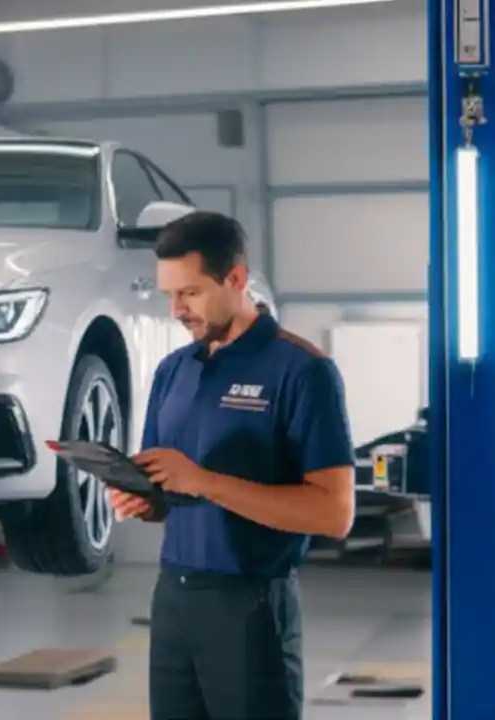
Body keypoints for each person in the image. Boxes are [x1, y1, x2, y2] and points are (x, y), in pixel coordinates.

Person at [108, 210, 356, 720]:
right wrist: (143, 499)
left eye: (191, 293)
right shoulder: (172, 371)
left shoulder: (303, 371)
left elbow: (334, 514)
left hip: (252, 605)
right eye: (168, 295)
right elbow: (168, 493)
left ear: (236, 279)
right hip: (173, 598)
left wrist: (203, 480)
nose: (176, 309)